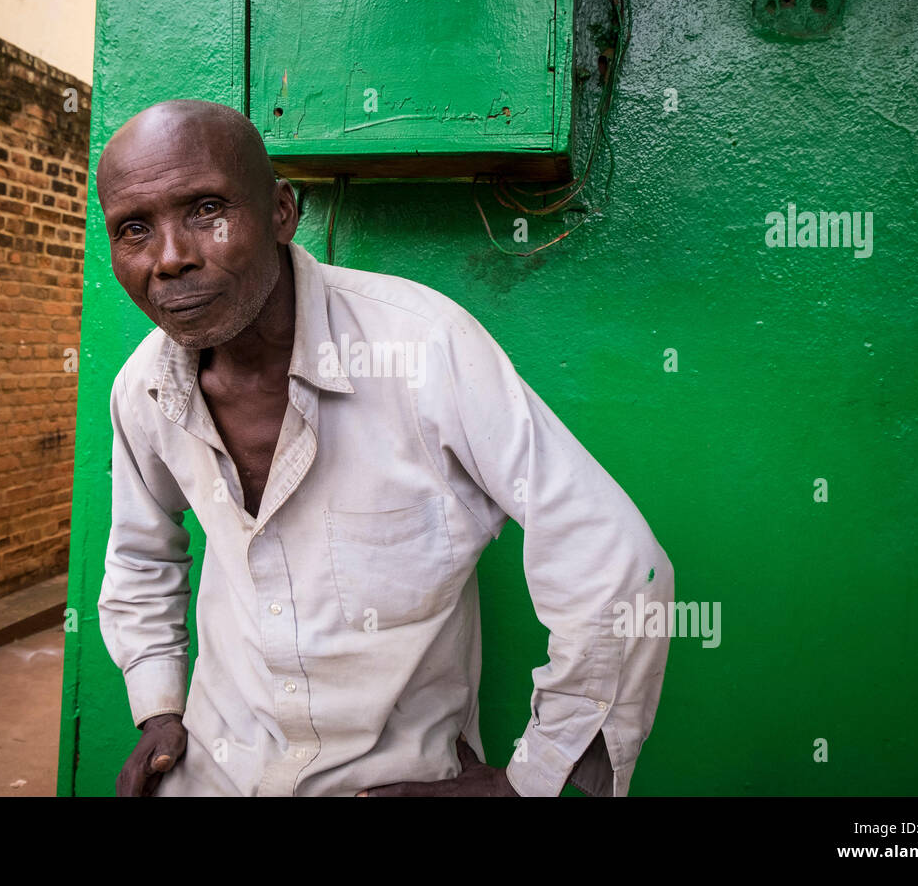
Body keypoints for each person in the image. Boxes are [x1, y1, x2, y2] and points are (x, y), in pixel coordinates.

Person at [96, 98, 675, 797]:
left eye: (207, 211)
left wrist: (530, 782)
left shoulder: (422, 348)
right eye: (134, 229)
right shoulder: (144, 388)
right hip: (214, 773)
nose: (170, 258)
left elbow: (618, 564)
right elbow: (141, 554)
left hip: (392, 781)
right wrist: (158, 706)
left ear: (282, 212)